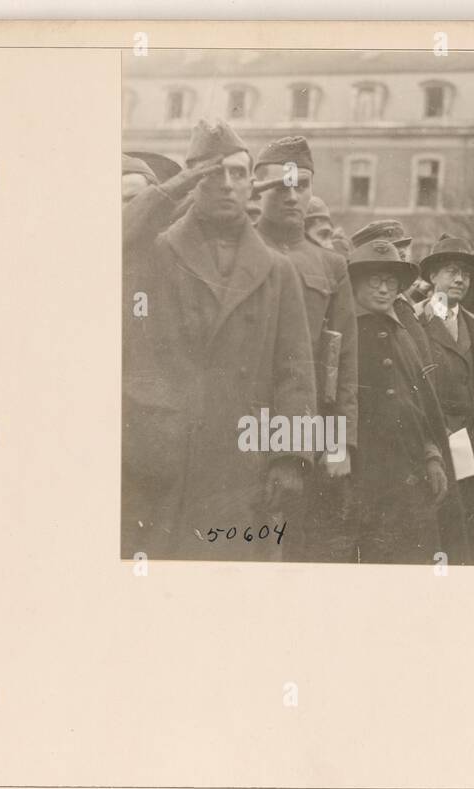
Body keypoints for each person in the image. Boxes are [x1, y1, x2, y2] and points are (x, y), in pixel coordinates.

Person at [121, 119, 317, 561]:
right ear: (193, 181)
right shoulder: (155, 254)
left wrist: (290, 458)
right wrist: (174, 187)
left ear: (252, 183)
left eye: (238, 173)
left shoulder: (277, 270)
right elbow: (111, 239)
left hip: (240, 469)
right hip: (162, 461)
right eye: (214, 174)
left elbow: (296, 371)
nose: (227, 185)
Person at [253, 136, 358, 562]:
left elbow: (344, 363)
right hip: (238, 430)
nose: (293, 195)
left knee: (295, 556)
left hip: (305, 438)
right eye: (281, 186)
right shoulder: (238, 251)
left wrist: (338, 443)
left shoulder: (330, 266)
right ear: (258, 189)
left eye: (303, 185)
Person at [345, 240, 455, 564]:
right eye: (374, 281)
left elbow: (420, 404)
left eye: (390, 282)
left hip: (409, 473)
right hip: (362, 476)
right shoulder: (344, 331)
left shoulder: (401, 333)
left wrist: (432, 455)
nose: (383, 290)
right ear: (356, 283)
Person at [413, 236, 474, 559]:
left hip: (469, 439)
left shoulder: (472, 323)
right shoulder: (414, 321)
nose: (460, 279)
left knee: (464, 524)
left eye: (466, 273)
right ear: (433, 276)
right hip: (430, 437)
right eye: (452, 271)